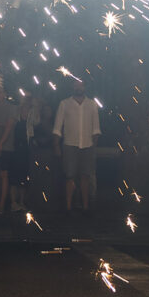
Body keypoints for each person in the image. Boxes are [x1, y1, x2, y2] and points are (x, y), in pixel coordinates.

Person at [53, 80, 101, 214]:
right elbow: (57, 127)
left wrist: (93, 148)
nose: (78, 87)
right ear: (72, 86)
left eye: (81, 85)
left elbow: (96, 129)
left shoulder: (92, 104)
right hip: (70, 145)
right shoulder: (64, 104)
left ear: (85, 87)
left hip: (87, 145)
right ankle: (69, 207)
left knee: (85, 177)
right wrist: (56, 145)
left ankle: (85, 207)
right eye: (76, 85)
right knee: (70, 176)